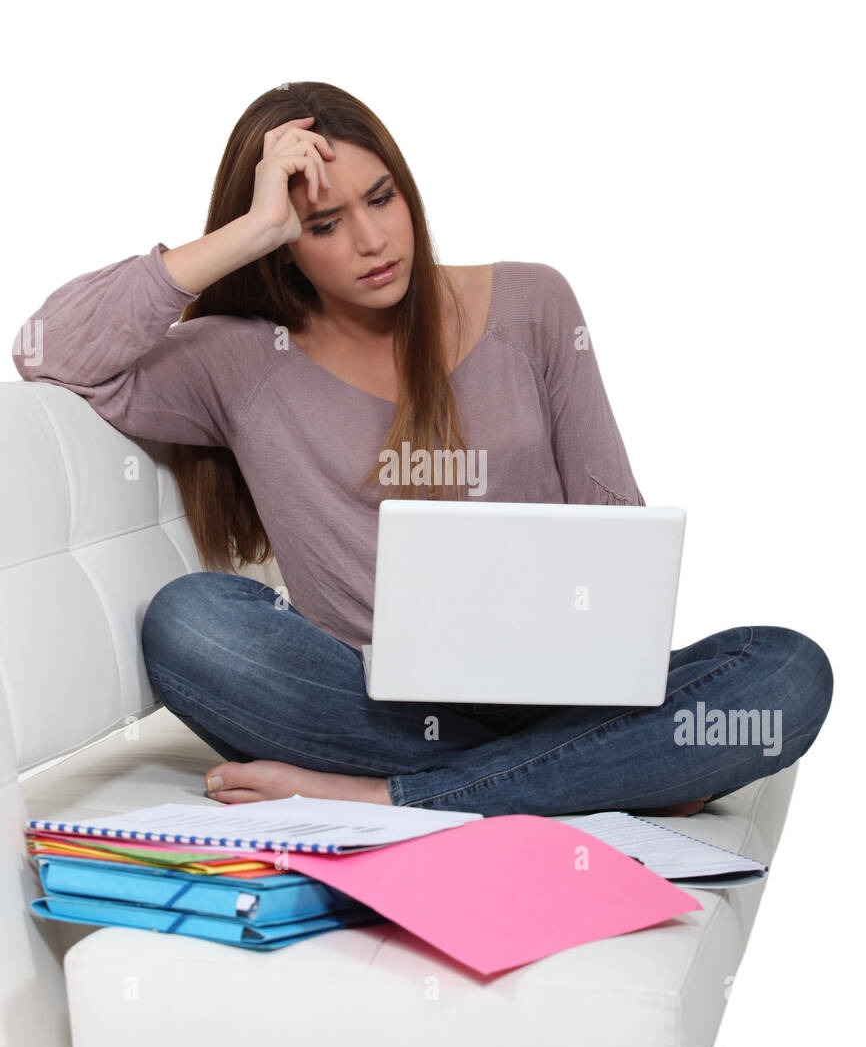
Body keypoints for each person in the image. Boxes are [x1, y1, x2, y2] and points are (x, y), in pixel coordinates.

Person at [11, 80, 834, 817]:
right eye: (324, 223)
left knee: (789, 672)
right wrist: (250, 227)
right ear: (283, 244)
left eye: (383, 198)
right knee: (191, 622)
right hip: (372, 708)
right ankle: (585, 781)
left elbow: (614, 520)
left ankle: (399, 797)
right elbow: (49, 349)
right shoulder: (239, 358)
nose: (372, 240)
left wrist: (603, 660)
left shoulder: (533, 301)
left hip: (563, 699)